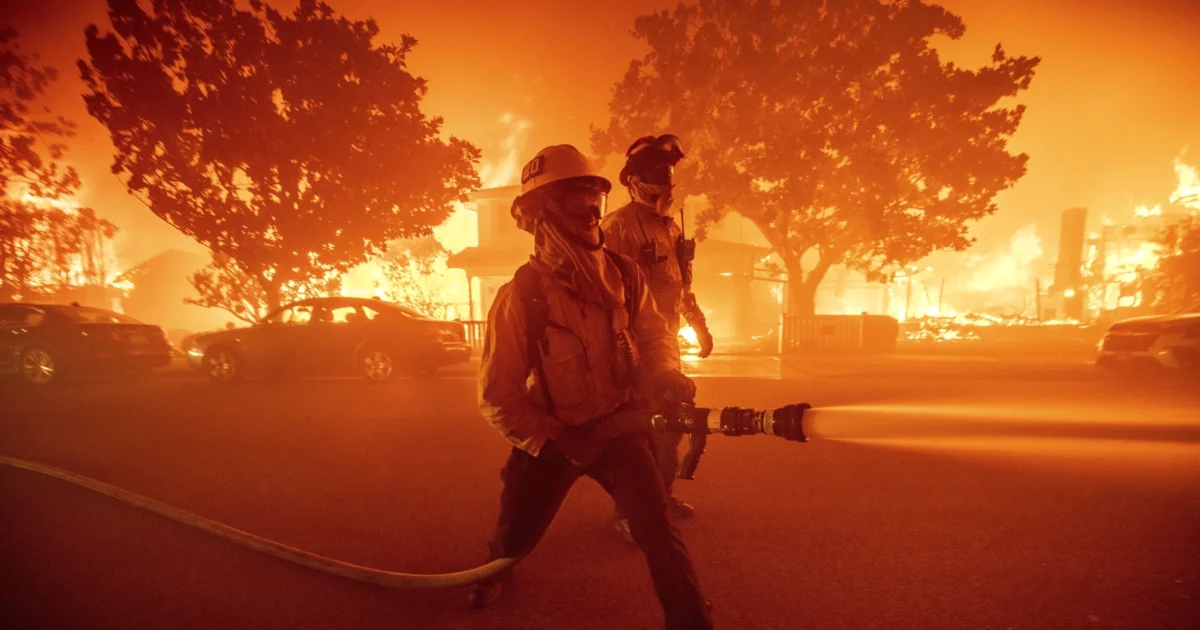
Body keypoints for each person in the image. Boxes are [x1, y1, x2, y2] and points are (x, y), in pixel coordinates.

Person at [470, 144, 714, 629]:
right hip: (553, 436)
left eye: (593, 200)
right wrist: (559, 438)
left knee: (657, 527)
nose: (589, 212)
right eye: (573, 200)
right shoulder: (522, 295)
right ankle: (495, 570)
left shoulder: (625, 276)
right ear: (540, 216)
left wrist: (665, 374)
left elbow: (654, 335)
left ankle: (690, 621)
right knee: (515, 532)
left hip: (617, 429)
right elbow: (497, 397)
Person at [601, 134, 713, 539]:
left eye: (668, 172)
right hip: (633, 350)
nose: (665, 179)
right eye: (656, 172)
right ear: (633, 179)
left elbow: (679, 285)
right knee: (639, 433)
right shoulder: (616, 229)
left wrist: (697, 323)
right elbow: (603, 295)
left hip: (667, 348)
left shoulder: (669, 228)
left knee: (671, 426)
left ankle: (660, 498)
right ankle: (629, 513)